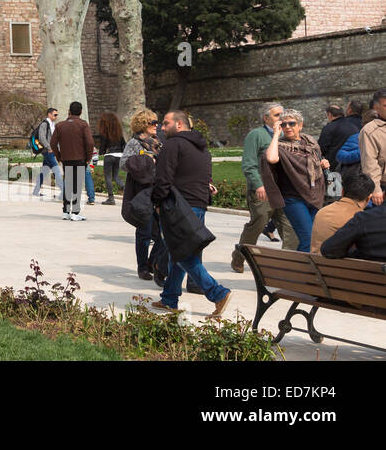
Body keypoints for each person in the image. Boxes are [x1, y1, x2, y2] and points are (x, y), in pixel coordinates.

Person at [150, 111, 231, 318]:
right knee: (180, 252)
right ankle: (169, 298)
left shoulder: (173, 144)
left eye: (166, 123)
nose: (162, 127)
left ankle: (218, 293)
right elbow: (205, 175)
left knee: (182, 253)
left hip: (178, 206)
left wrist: (157, 203)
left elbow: (163, 178)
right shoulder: (202, 147)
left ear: (179, 125)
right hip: (198, 205)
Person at [233, 102, 297, 272]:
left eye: (282, 115)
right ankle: (239, 256)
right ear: (266, 118)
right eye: (277, 115)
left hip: (283, 192)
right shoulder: (257, 135)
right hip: (263, 191)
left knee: (290, 229)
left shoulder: (286, 135)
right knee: (258, 224)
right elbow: (248, 163)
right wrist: (258, 184)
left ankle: (288, 266)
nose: (281, 119)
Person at [260, 108, 328, 253]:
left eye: (292, 123)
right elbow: (271, 158)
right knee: (308, 239)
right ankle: (300, 273)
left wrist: (322, 163)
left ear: (300, 125)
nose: (288, 127)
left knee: (313, 239)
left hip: (314, 196)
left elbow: (316, 161)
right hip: (293, 199)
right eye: (283, 125)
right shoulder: (280, 146)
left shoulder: (310, 143)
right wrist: (276, 135)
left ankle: (298, 269)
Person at [121, 109, 167, 282]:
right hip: (141, 193)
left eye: (157, 122)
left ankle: (152, 262)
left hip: (158, 191)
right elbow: (124, 164)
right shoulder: (134, 143)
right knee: (144, 232)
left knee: (163, 232)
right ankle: (142, 267)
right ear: (143, 125)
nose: (157, 126)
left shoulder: (159, 141)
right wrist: (147, 161)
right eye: (153, 123)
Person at [311, 173, 375, 254]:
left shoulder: (322, 211)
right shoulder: (361, 219)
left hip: (315, 264)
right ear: (369, 198)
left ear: (342, 191)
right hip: (343, 265)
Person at [51, 102, 93, 220]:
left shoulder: (60, 125)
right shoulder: (83, 125)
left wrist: (59, 156)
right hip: (80, 159)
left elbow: (53, 143)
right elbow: (90, 143)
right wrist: (88, 158)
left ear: (69, 110)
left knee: (68, 183)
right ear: (80, 112)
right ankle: (75, 212)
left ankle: (65, 211)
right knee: (77, 185)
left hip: (66, 159)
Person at [319, 193, 386, 262]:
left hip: (366, 270)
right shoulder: (363, 218)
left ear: (383, 195)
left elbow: (328, 250)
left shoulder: (363, 218)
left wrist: (356, 253)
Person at [357, 89, 386, 206]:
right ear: (376, 107)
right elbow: (369, 163)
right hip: (383, 185)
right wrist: (376, 189)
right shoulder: (369, 131)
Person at [319, 102, 361, 172]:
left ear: (329, 115)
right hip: (351, 165)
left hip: (333, 167)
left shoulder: (329, 127)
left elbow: (322, 148)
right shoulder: (353, 126)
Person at [31, 108, 62, 199]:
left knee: (44, 171)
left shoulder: (53, 124)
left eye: (57, 115)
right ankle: (64, 192)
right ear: (49, 114)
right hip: (47, 151)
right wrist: (49, 148)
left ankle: (36, 191)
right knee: (57, 171)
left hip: (51, 151)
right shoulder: (44, 124)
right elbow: (41, 137)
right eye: (55, 115)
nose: (56, 116)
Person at [95, 111, 125, 205]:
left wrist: (100, 153)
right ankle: (127, 190)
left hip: (109, 155)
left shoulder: (104, 133)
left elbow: (103, 147)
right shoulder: (119, 133)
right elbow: (124, 144)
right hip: (119, 155)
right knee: (116, 176)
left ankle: (111, 198)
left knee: (108, 177)